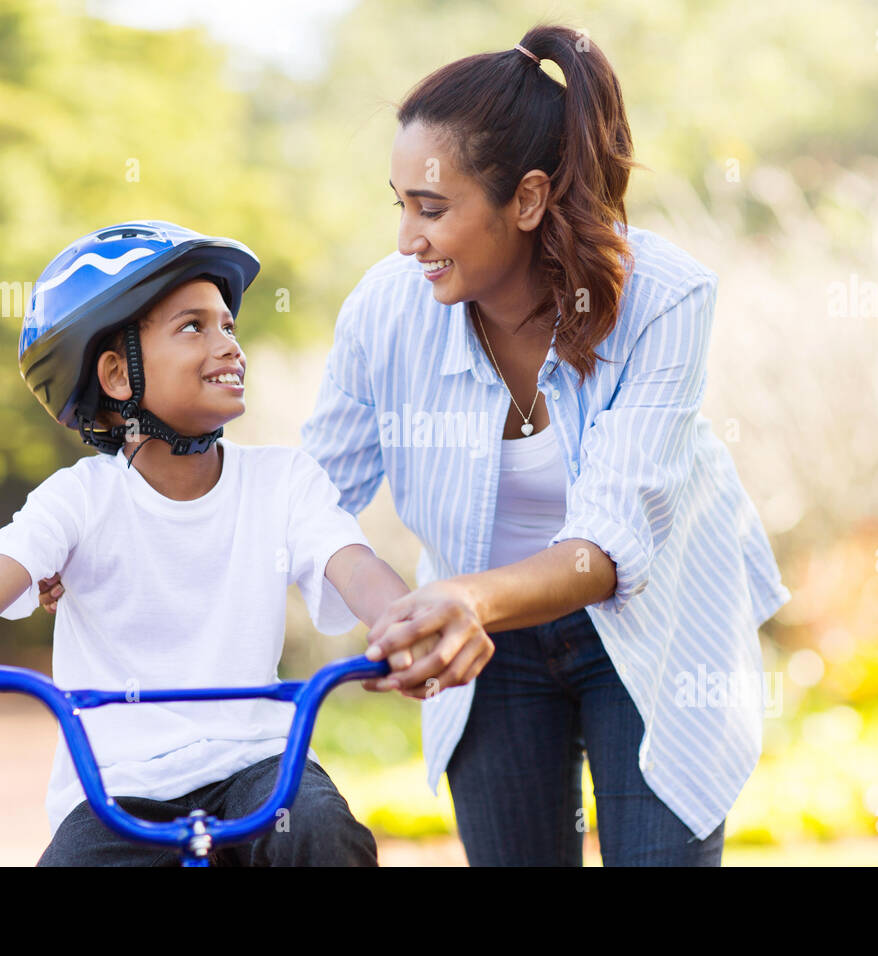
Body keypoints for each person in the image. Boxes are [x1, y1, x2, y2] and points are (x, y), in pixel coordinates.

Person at [298, 25, 793, 866]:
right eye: (401, 205)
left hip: (653, 625)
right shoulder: (385, 311)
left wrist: (465, 602)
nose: (406, 240)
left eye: (432, 208)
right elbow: (306, 499)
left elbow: (610, 543)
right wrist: (398, 610)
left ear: (526, 201)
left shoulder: (665, 301)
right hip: (487, 650)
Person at [0, 221, 478, 866]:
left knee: (324, 836)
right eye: (194, 327)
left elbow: (354, 567)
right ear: (117, 375)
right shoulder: (76, 500)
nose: (229, 345)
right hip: (116, 788)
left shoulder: (283, 480)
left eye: (229, 326)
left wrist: (406, 623)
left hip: (259, 766)